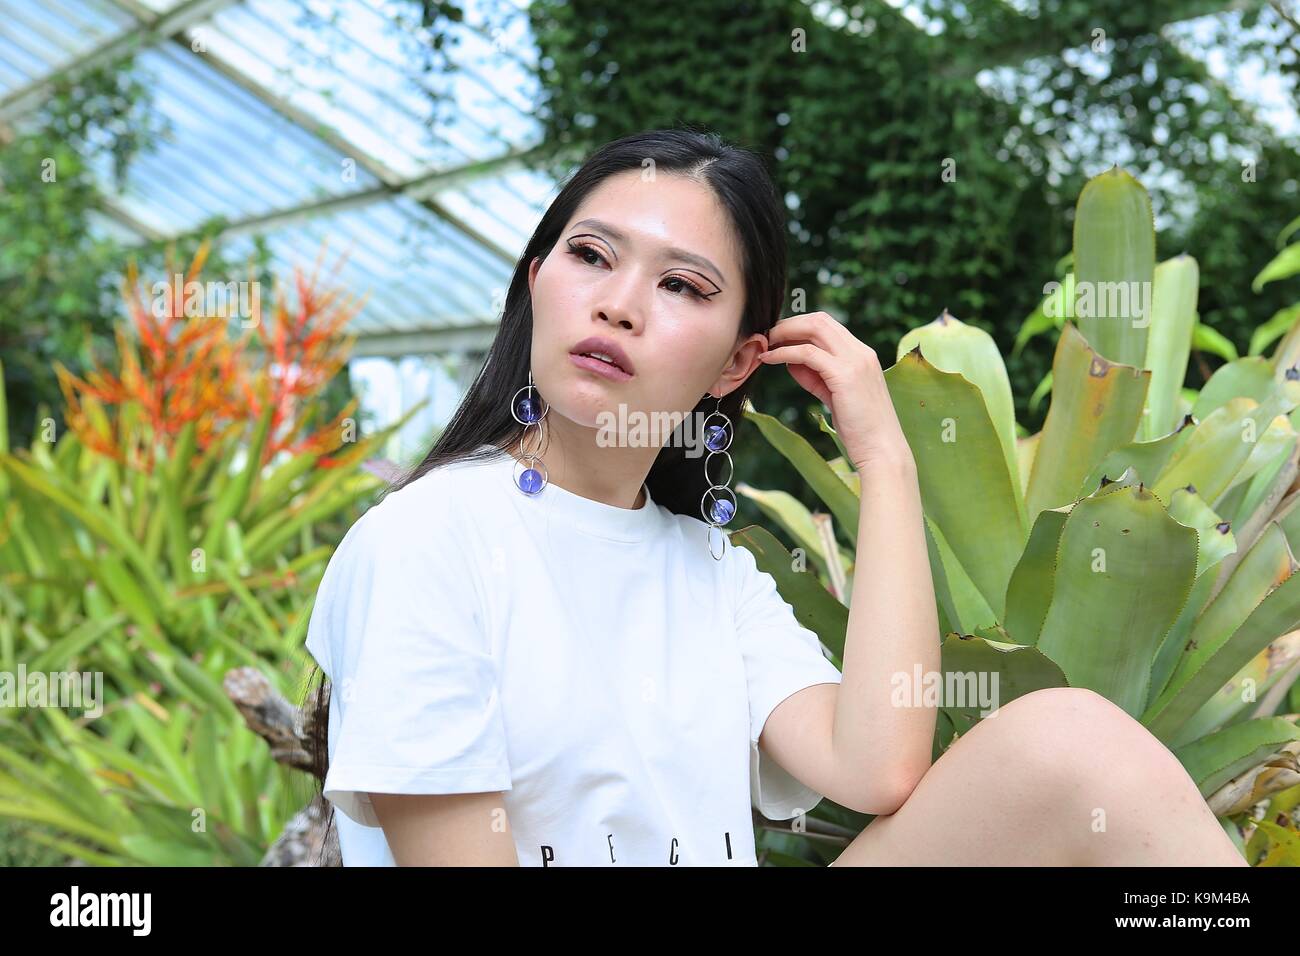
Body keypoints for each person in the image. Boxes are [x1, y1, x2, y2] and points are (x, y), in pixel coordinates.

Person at [303, 126, 1247, 867]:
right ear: (535, 279)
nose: (619, 302)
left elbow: (876, 767)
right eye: (591, 255)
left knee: (1068, 739)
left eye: (681, 284)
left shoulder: (714, 579)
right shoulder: (427, 541)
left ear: (738, 362)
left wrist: (887, 462)